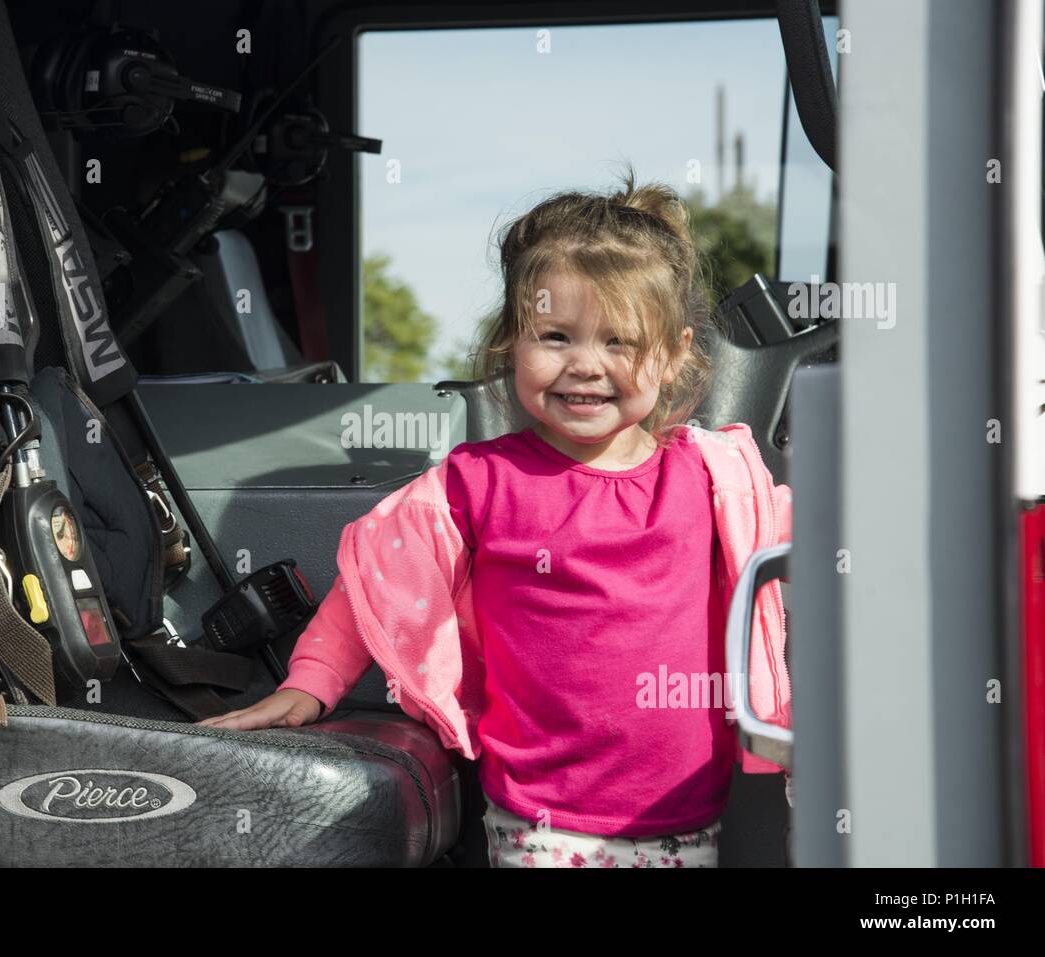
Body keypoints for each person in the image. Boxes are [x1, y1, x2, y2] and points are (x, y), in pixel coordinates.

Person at [199, 172, 793, 868]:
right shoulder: (478, 482)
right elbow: (377, 578)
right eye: (555, 335)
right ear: (514, 342)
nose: (584, 365)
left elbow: (794, 572)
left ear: (669, 356)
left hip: (686, 821)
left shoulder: (713, 477)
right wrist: (310, 683)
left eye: (618, 342)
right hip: (540, 826)